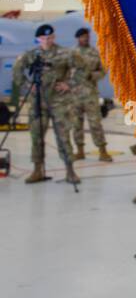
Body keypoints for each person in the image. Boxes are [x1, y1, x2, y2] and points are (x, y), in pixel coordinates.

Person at [11, 23, 79, 184]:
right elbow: (17, 70)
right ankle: (37, 170)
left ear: (54, 37)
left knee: (63, 137)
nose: (47, 41)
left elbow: (83, 69)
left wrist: (69, 84)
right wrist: (28, 85)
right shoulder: (31, 55)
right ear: (38, 39)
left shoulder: (66, 53)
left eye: (49, 38)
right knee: (36, 137)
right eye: (43, 38)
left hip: (59, 102)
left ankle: (70, 171)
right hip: (37, 102)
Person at [70, 27, 112, 163]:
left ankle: (102, 151)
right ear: (78, 38)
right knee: (76, 123)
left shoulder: (94, 53)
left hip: (90, 94)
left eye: (87, 36)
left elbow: (103, 70)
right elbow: (63, 72)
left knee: (95, 123)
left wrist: (92, 75)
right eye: (83, 36)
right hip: (74, 95)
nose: (86, 38)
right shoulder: (71, 53)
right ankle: (80, 151)